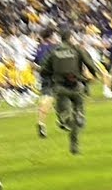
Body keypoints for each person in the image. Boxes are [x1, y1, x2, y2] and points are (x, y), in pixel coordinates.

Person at [38, 26, 97, 155]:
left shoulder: (54, 52)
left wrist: (52, 74)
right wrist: (93, 75)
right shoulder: (77, 49)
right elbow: (89, 64)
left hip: (61, 88)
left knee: (67, 118)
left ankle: (67, 122)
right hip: (77, 87)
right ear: (70, 38)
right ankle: (79, 117)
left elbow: (43, 70)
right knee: (78, 112)